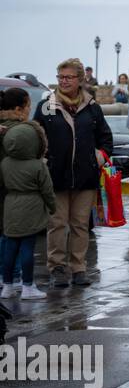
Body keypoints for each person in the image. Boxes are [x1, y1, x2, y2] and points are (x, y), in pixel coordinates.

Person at [36, 58, 113, 288]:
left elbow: (105, 138)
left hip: (85, 177)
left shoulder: (92, 107)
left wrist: (98, 157)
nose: (64, 81)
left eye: (69, 77)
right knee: (57, 224)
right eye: (60, 77)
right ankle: (57, 267)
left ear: (80, 79)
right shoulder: (47, 106)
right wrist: (44, 161)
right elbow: (35, 137)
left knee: (80, 225)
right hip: (56, 176)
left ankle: (79, 267)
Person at [0, 88, 56, 301]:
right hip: (30, 206)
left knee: (8, 244)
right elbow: (47, 189)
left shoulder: (6, 163)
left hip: (9, 203)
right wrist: (52, 207)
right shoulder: (37, 165)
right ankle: (26, 284)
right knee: (26, 248)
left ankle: (7, 284)